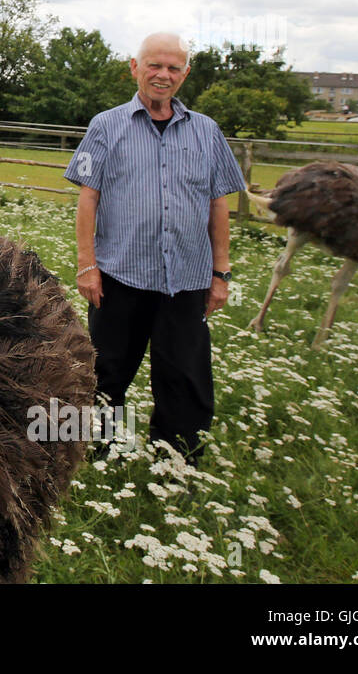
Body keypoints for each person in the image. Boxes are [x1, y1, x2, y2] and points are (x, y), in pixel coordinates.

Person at [63, 32, 246, 464]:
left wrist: (221, 274)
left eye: (173, 67)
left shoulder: (207, 131)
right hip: (120, 275)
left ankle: (177, 460)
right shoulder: (106, 125)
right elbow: (88, 197)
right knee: (105, 371)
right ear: (135, 67)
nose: (163, 75)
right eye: (155, 65)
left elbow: (219, 203)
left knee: (185, 374)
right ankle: (97, 454)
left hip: (186, 279)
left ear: (185, 73)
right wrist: (87, 265)